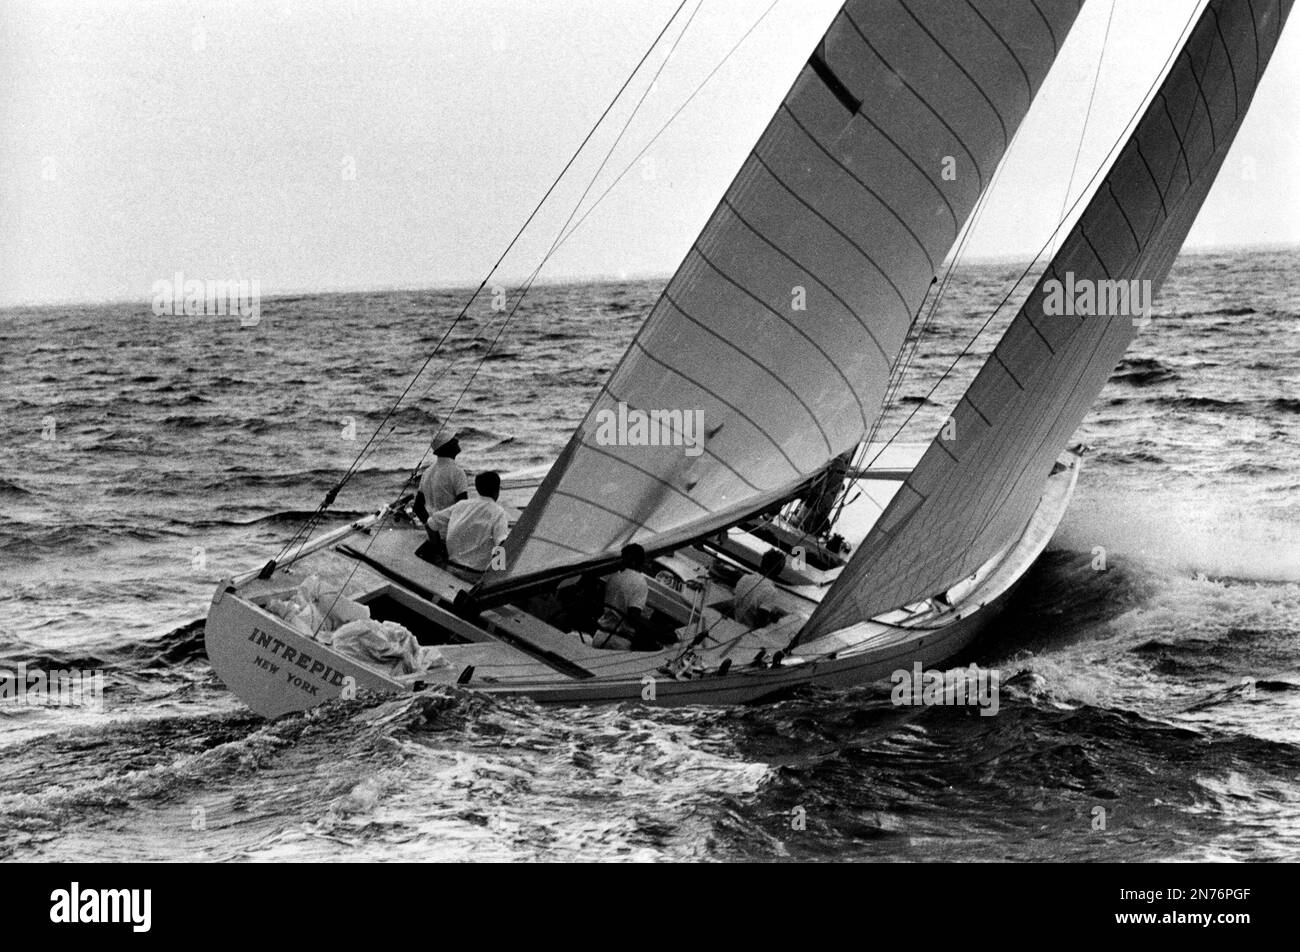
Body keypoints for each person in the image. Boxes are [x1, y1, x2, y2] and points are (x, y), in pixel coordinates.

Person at [425, 471, 509, 576]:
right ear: (497, 490)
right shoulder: (498, 512)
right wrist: (499, 575)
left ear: (478, 488)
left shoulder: (461, 505)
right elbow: (501, 545)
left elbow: (430, 524)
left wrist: (439, 553)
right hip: (474, 575)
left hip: (450, 569)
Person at [591, 544, 649, 650]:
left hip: (600, 635)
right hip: (619, 641)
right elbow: (633, 615)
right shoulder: (640, 582)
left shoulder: (614, 578)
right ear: (640, 561)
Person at [414, 435, 468, 522]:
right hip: (451, 531)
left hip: (434, 531)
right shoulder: (457, 472)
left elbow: (417, 507)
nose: (457, 440)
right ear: (447, 446)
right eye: (452, 440)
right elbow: (462, 507)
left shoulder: (427, 472)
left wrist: (430, 528)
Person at [732, 549, 788, 628]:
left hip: (735, 622)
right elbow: (760, 623)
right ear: (779, 572)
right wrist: (772, 618)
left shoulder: (744, 578)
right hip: (747, 629)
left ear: (761, 563)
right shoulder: (771, 592)